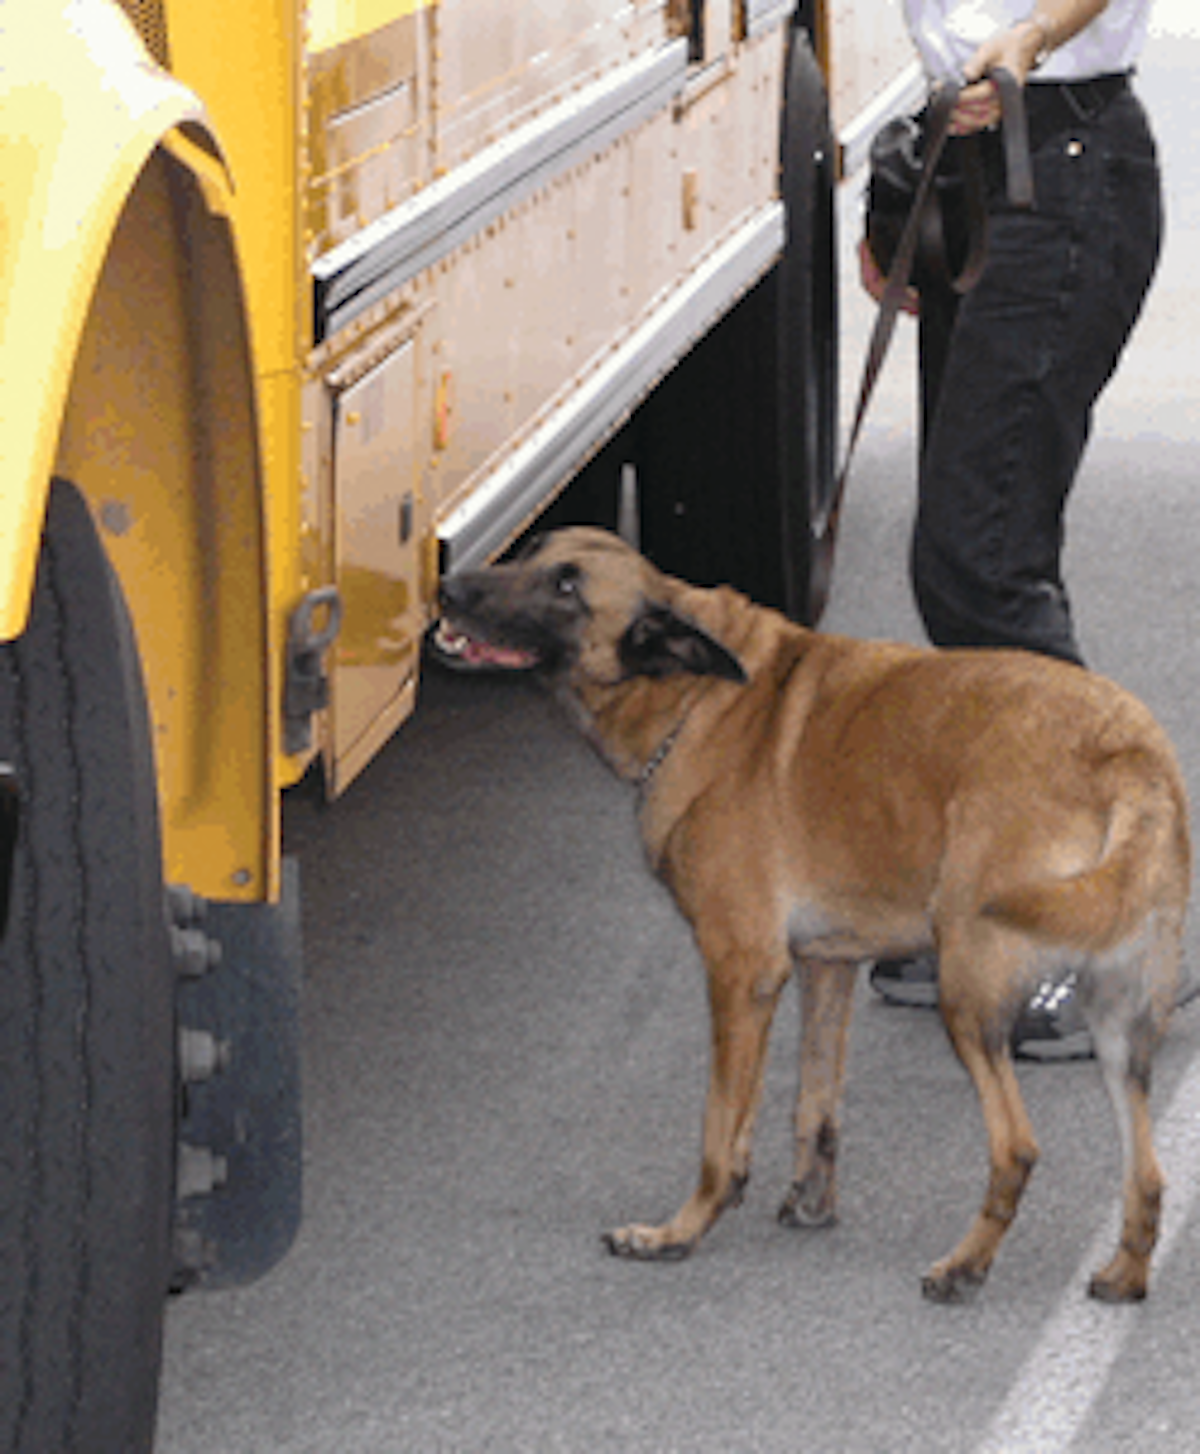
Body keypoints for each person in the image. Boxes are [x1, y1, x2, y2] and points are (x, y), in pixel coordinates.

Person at [861, 1, 1165, 1058]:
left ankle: (1114, 940)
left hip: (1066, 167)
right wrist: (901, 187)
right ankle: (1007, 902)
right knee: (975, 567)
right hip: (983, 164)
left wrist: (1033, 37)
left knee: (981, 558)